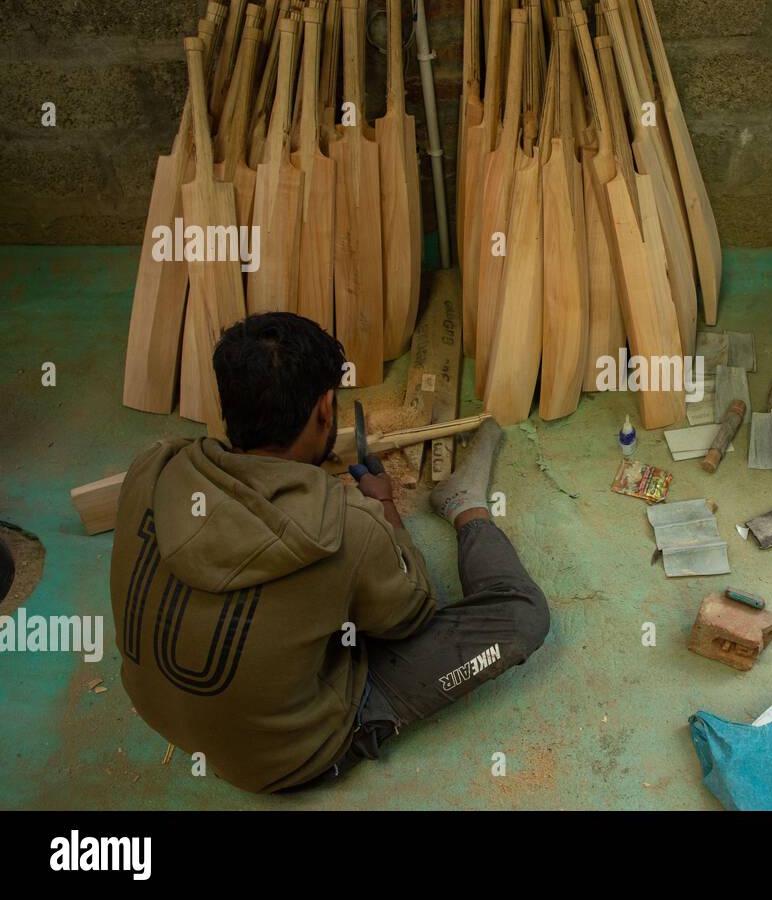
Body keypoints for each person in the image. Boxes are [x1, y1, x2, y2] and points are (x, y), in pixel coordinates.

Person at [108, 312, 548, 793]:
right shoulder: (347, 526)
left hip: (166, 719)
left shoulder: (154, 467)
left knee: (322, 604)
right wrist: (382, 506)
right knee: (521, 617)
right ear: (324, 409)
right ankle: (466, 506)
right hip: (287, 762)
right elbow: (414, 613)